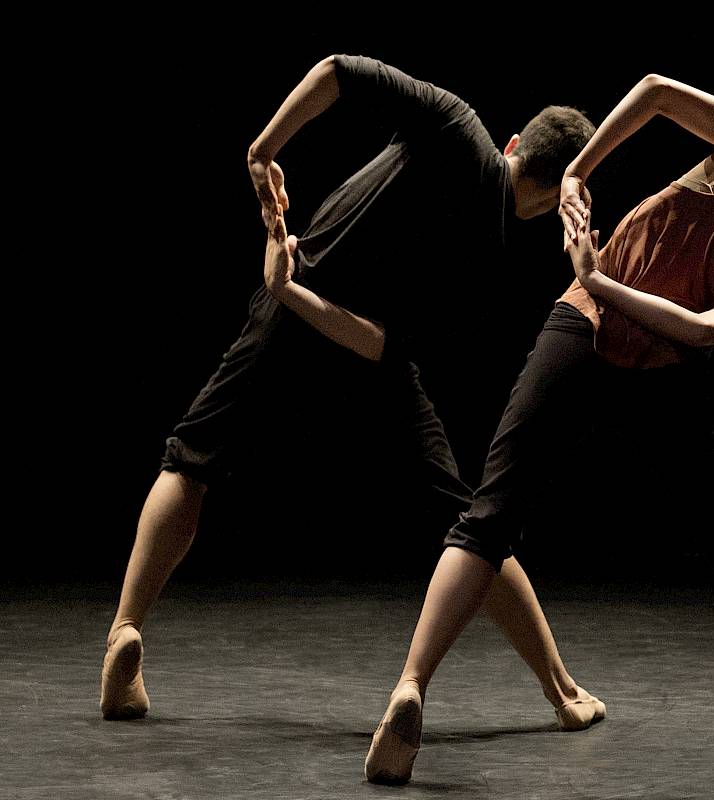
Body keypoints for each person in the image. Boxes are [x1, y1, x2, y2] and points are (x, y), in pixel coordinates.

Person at [363, 74, 714, 790]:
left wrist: (578, 175)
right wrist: (604, 282)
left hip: (582, 321)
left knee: (488, 516)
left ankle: (412, 683)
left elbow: (657, 89)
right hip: (660, 365)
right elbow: (696, 327)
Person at [100, 55, 607, 737]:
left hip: (289, 311)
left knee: (190, 460)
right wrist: (297, 295)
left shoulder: (457, 120)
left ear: (516, 143)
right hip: (363, 357)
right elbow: (377, 345)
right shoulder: (486, 257)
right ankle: (562, 690)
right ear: (555, 199)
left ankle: (126, 632)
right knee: (471, 527)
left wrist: (263, 153)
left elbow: (338, 69)